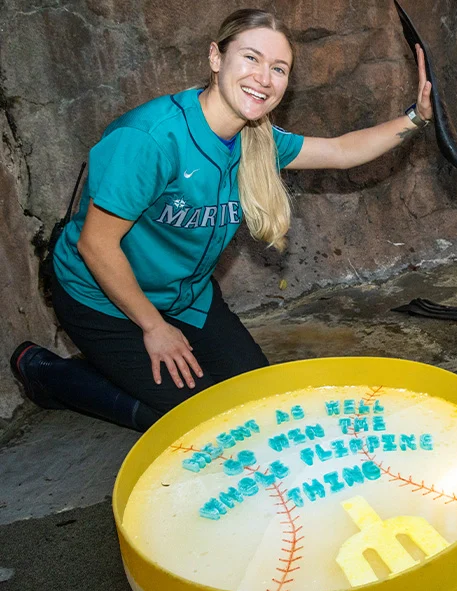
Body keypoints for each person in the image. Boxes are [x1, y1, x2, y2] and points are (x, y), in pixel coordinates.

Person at [10, 8, 432, 432]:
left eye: (278, 68)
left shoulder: (256, 137)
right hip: (100, 296)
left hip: (185, 297)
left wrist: (418, 117)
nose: (264, 78)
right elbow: (95, 244)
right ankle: (52, 376)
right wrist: (154, 328)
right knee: (202, 423)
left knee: (260, 404)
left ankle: (129, 368)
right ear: (216, 58)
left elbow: (341, 152)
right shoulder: (153, 138)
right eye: (251, 58)